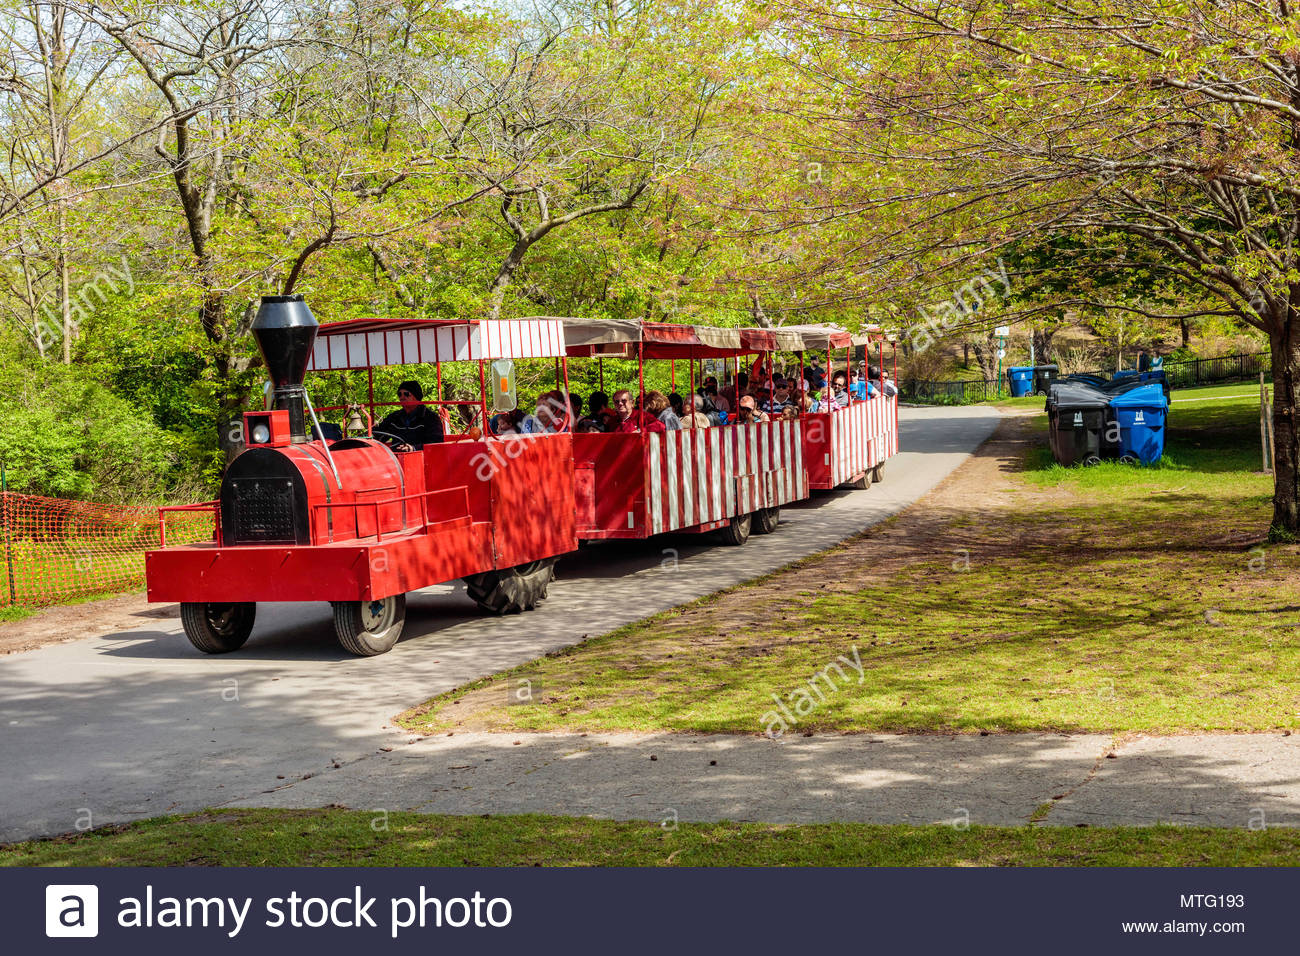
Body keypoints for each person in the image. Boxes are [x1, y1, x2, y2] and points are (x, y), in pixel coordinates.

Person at [375, 380, 444, 451]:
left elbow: (436, 443)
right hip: (396, 458)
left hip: (423, 459)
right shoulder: (394, 417)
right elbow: (380, 434)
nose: (402, 397)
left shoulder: (431, 418)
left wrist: (413, 448)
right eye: (399, 394)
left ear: (416, 396)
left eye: (406, 394)